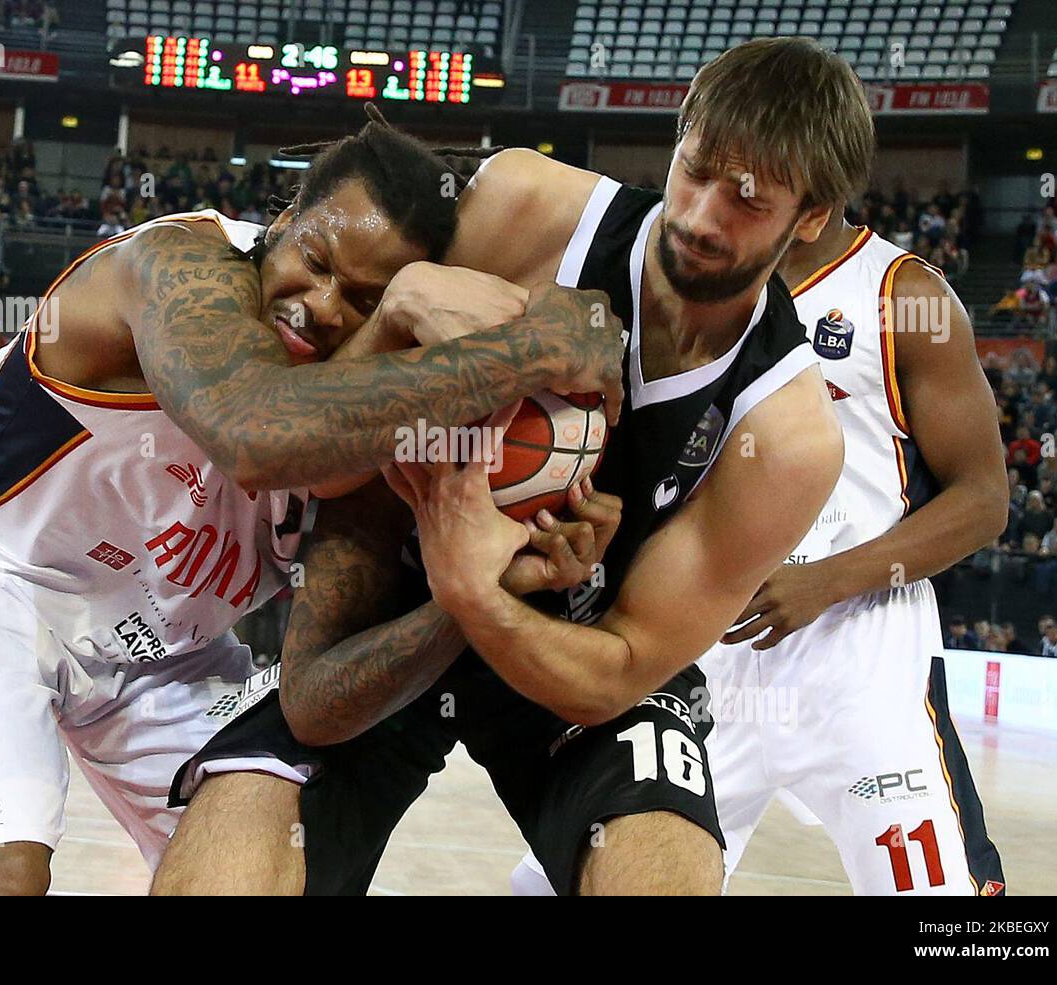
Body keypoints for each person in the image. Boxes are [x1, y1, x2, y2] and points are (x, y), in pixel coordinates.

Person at [155, 37, 855, 896]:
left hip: (576, 643)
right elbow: (327, 456)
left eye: (750, 201)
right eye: (697, 168)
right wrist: (406, 297)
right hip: (397, 582)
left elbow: (619, 669)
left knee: (660, 871)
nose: (704, 215)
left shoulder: (790, 439)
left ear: (810, 216)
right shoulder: (525, 204)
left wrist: (480, 589)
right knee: (234, 839)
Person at [0, 109, 624, 896]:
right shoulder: (174, 263)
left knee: (263, 865)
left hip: (166, 656)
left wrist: (486, 581)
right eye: (317, 259)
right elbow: (257, 433)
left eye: (365, 298)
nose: (323, 304)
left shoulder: (393, 407)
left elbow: (317, 689)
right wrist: (527, 345)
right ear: (286, 216)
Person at [690, 186, 1008, 894]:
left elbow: (984, 500)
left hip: (863, 652)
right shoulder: (696, 283)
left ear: (815, 205)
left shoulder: (907, 296)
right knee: (601, 877)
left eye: (754, 191)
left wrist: (826, 579)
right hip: (711, 645)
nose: (723, 206)